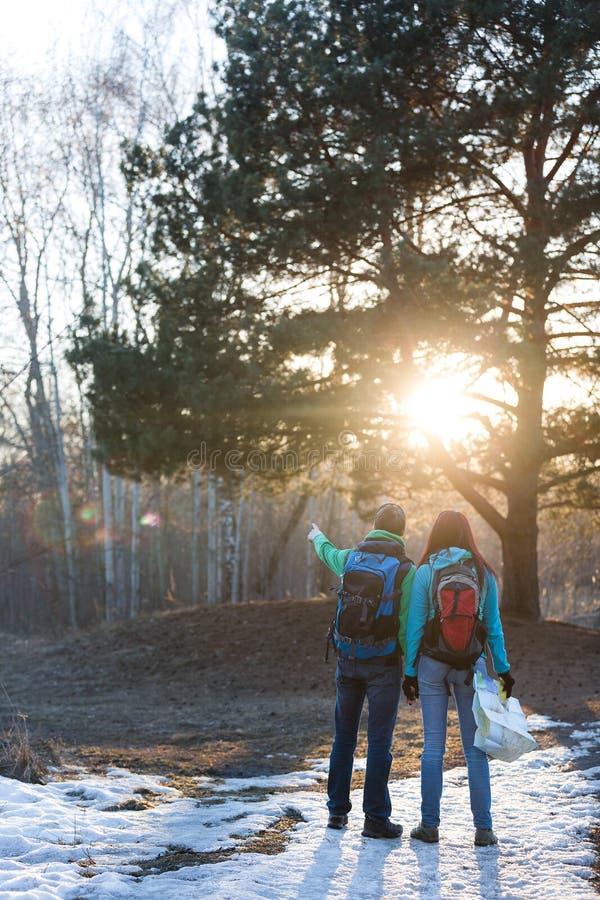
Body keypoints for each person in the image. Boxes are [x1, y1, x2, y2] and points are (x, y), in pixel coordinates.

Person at [403, 509, 514, 847]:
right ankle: (484, 829)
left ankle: (429, 825)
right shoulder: (483, 573)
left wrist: (409, 671)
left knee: (433, 746)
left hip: (432, 666)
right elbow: (493, 629)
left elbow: (416, 626)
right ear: (468, 535)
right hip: (472, 667)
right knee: (475, 750)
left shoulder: (425, 572)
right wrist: (504, 670)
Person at [308, 502, 416, 839]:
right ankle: (375, 819)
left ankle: (336, 814)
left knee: (344, 738)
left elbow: (328, 554)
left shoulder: (352, 557)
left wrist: (317, 536)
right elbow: (405, 626)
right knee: (380, 741)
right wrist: (409, 670)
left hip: (347, 658)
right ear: (401, 532)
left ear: (374, 526)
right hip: (383, 664)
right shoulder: (404, 570)